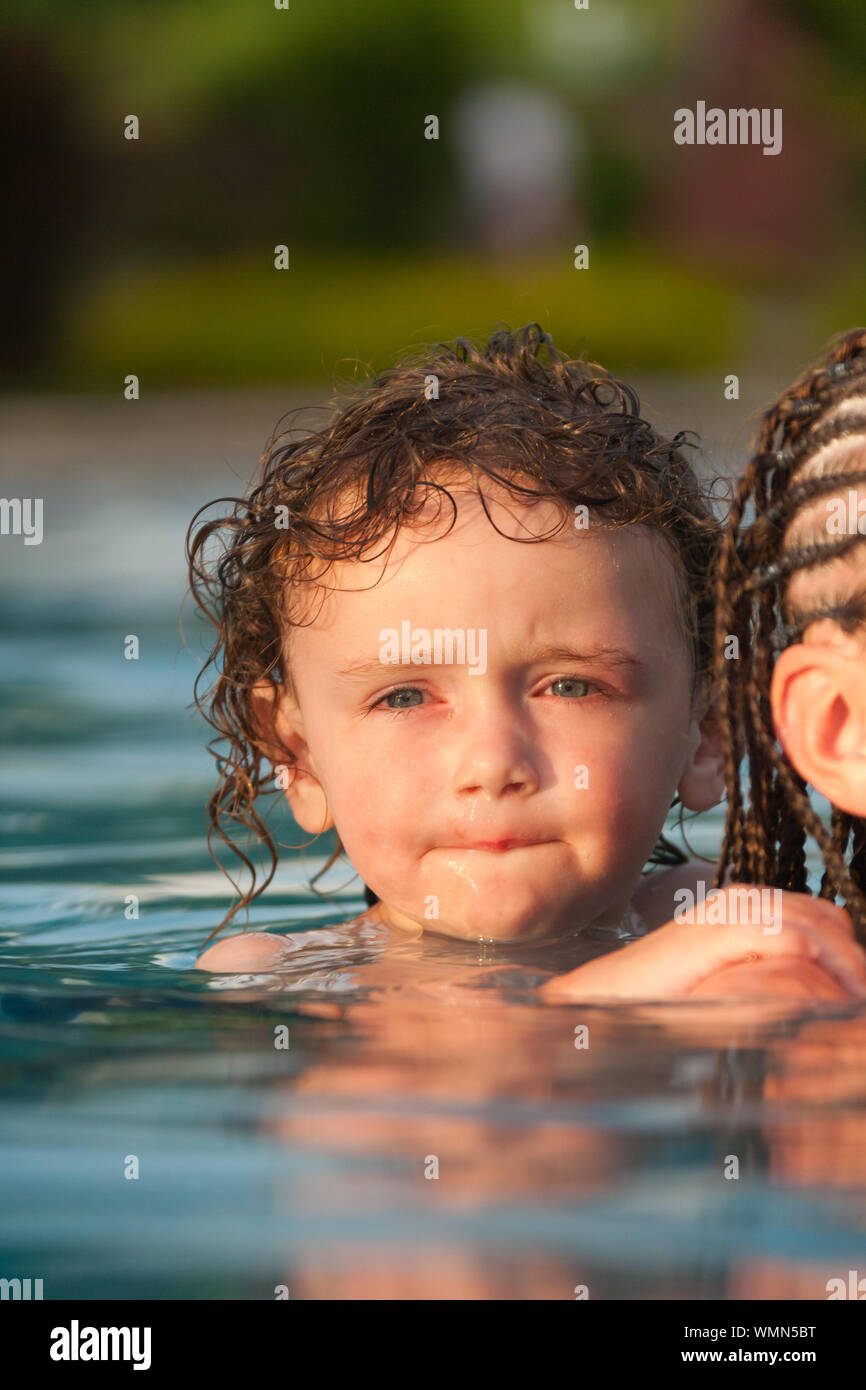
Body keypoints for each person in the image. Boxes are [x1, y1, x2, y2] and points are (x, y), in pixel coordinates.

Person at [189, 324, 865, 1001]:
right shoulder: (272, 976)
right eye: (404, 697)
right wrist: (596, 996)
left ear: (710, 734)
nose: (493, 767)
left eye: (571, 686)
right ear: (297, 756)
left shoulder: (727, 918)